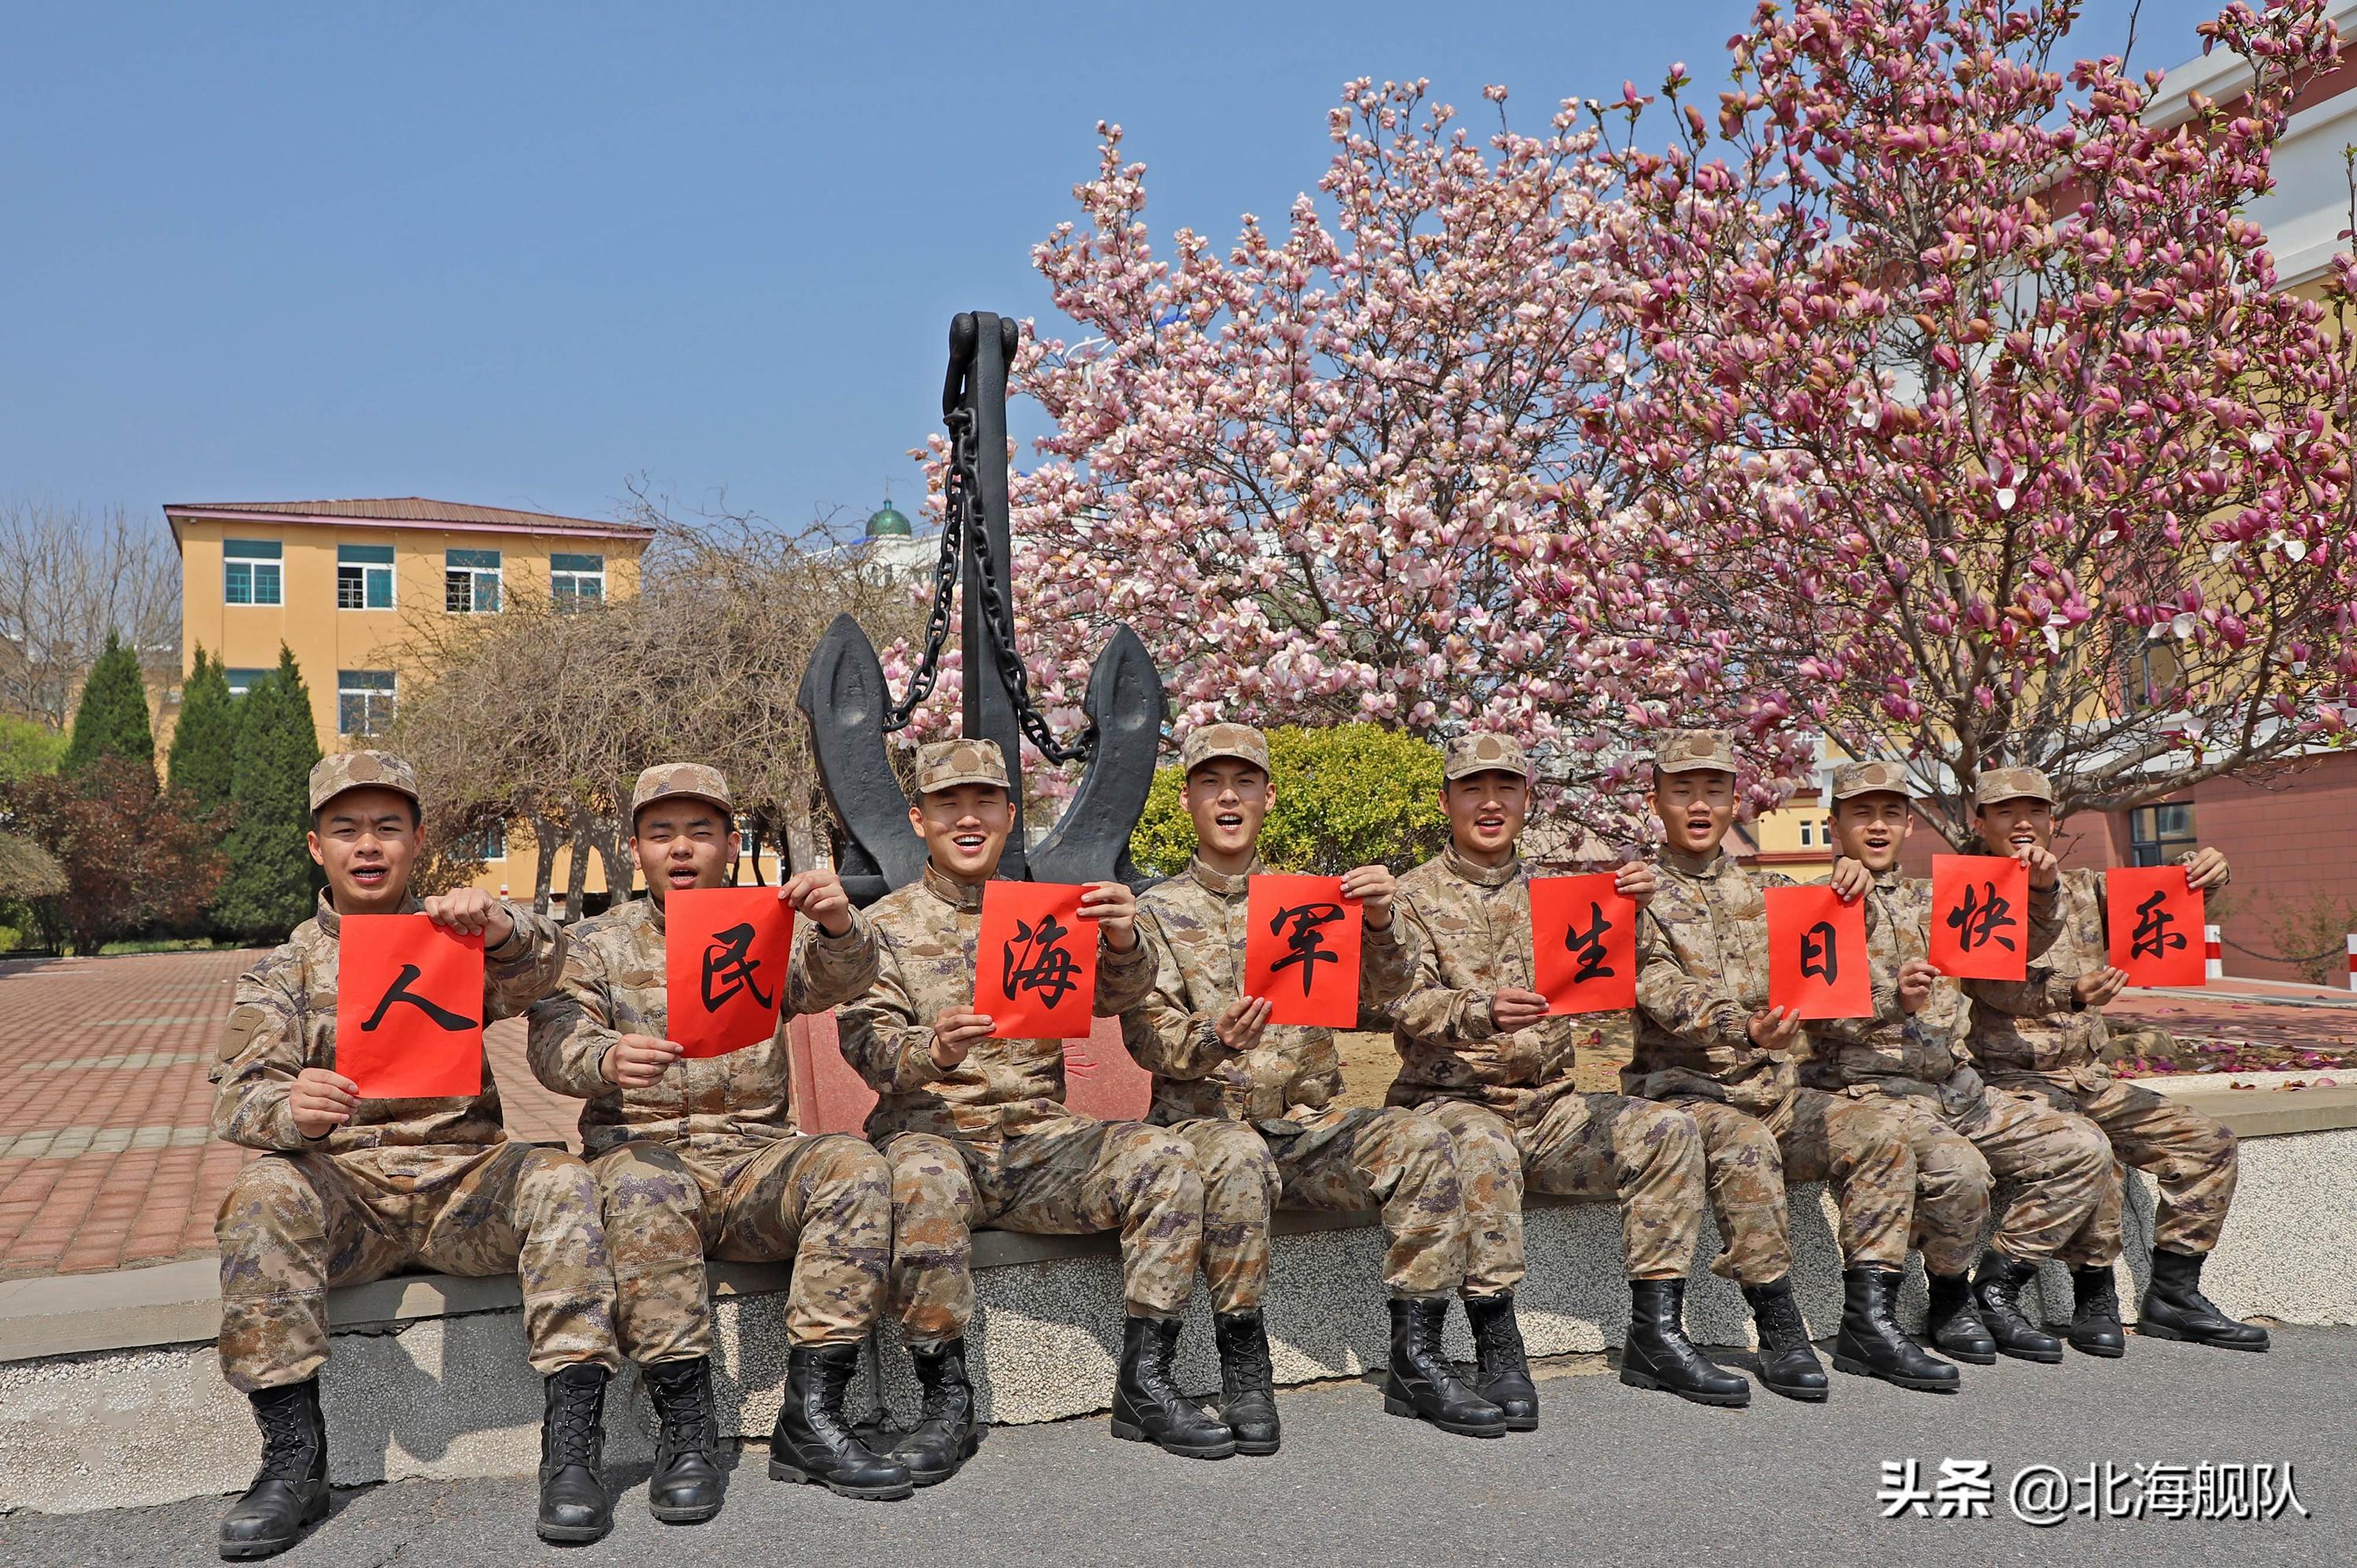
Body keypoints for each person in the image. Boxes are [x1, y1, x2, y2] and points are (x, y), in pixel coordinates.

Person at [209, 752, 621, 1558]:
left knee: (563, 1181)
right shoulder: (283, 970)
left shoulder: (454, 939)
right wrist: (288, 1109)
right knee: (261, 1192)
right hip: (349, 1196)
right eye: (346, 829)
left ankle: (573, 1448)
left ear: (418, 841)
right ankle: (294, 1460)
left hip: (464, 1184)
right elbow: (236, 1096)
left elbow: (550, 966)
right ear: (315, 846)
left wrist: (503, 928)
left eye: (387, 828)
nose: (368, 846)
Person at [836, 738, 1232, 1472]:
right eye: (947, 804)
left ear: (1009, 815)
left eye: (984, 801)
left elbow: (1114, 998)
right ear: (919, 820)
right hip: (935, 1135)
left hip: (1041, 1143)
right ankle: (944, 1399)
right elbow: (867, 1047)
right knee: (918, 1177)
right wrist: (936, 1052)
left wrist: (1119, 940)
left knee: (1165, 1158)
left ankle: (1146, 1379)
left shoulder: (1047, 914)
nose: (967, 818)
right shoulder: (880, 928)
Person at [526, 764, 910, 1516]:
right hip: (646, 1151)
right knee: (640, 1186)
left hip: (755, 1157)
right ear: (635, 850)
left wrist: (839, 923)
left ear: (730, 845)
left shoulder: (761, 927)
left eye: (700, 833)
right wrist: (604, 1058)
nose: (681, 850)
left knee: (855, 1167)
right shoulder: (594, 945)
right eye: (661, 834)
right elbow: (553, 1042)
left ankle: (815, 1414)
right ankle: (687, 1430)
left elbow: (835, 979)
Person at [1125, 724, 1505, 1449]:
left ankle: (1418, 1358)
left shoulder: (1312, 902)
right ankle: (1244, 1369)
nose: (1227, 797)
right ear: (1186, 800)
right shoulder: (1156, 913)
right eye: (1210, 783)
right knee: (1235, 1155)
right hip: (1206, 1128)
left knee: (1421, 1140)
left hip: (1306, 1131)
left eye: (1243, 783)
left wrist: (1384, 921)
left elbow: (1383, 994)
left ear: (1268, 797)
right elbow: (1146, 1035)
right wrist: (1214, 1038)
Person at [1389, 732, 1747, 1417]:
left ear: (1527, 801)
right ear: (1446, 802)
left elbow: (1637, 975)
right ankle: (1499, 1345)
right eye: (1472, 789)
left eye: (1506, 789)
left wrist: (1643, 904)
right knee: (1482, 1146)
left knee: (1666, 1130)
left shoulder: (1567, 897)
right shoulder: (1411, 898)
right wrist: (1480, 1010)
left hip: (1553, 1110)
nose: (1490, 803)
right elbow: (1401, 1000)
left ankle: (1657, 1333)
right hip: (1451, 1103)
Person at [1632, 730, 1958, 1398]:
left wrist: (1889, 994)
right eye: (1682, 791)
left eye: (1714, 791)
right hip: (1687, 1098)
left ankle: (1871, 1322)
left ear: (1735, 803)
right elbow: (1659, 988)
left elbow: (1831, 978)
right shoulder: (1634, 895)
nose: (1700, 805)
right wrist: (1743, 1026)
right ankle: (1780, 1325)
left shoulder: (1779, 892)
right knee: (1745, 1144)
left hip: (1775, 1093)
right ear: (1655, 801)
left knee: (1879, 1135)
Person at [1812, 760, 2124, 1365]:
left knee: (2082, 1148)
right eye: (1861, 814)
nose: (1877, 827)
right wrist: (1889, 1000)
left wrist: (2041, 892)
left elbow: (2016, 958)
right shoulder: (1818, 905)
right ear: (1835, 826)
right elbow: (1810, 1013)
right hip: (1872, 1093)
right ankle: (1949, 1296)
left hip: (1959, 1089)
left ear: (1907, 825)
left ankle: (1998, 1286)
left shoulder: (1942, 899)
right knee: (1962, 1172)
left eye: (1891, 814)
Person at [1963, 766, 2265, 1353]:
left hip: (2088, 1076)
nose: (2022, 822)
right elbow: (1990, 986)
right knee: (2090, 1148)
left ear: (2053, 821)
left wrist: (2209, 875)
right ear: (1981, 824)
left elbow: (2163, 901)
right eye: (2004, 812)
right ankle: (2093, 1294)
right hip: (2010, 1082)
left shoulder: (2085, 887)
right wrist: (2070, 985)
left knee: (2207, 1143)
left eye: (2035, 811)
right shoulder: (1968, 896)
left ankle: (2174, 1295)